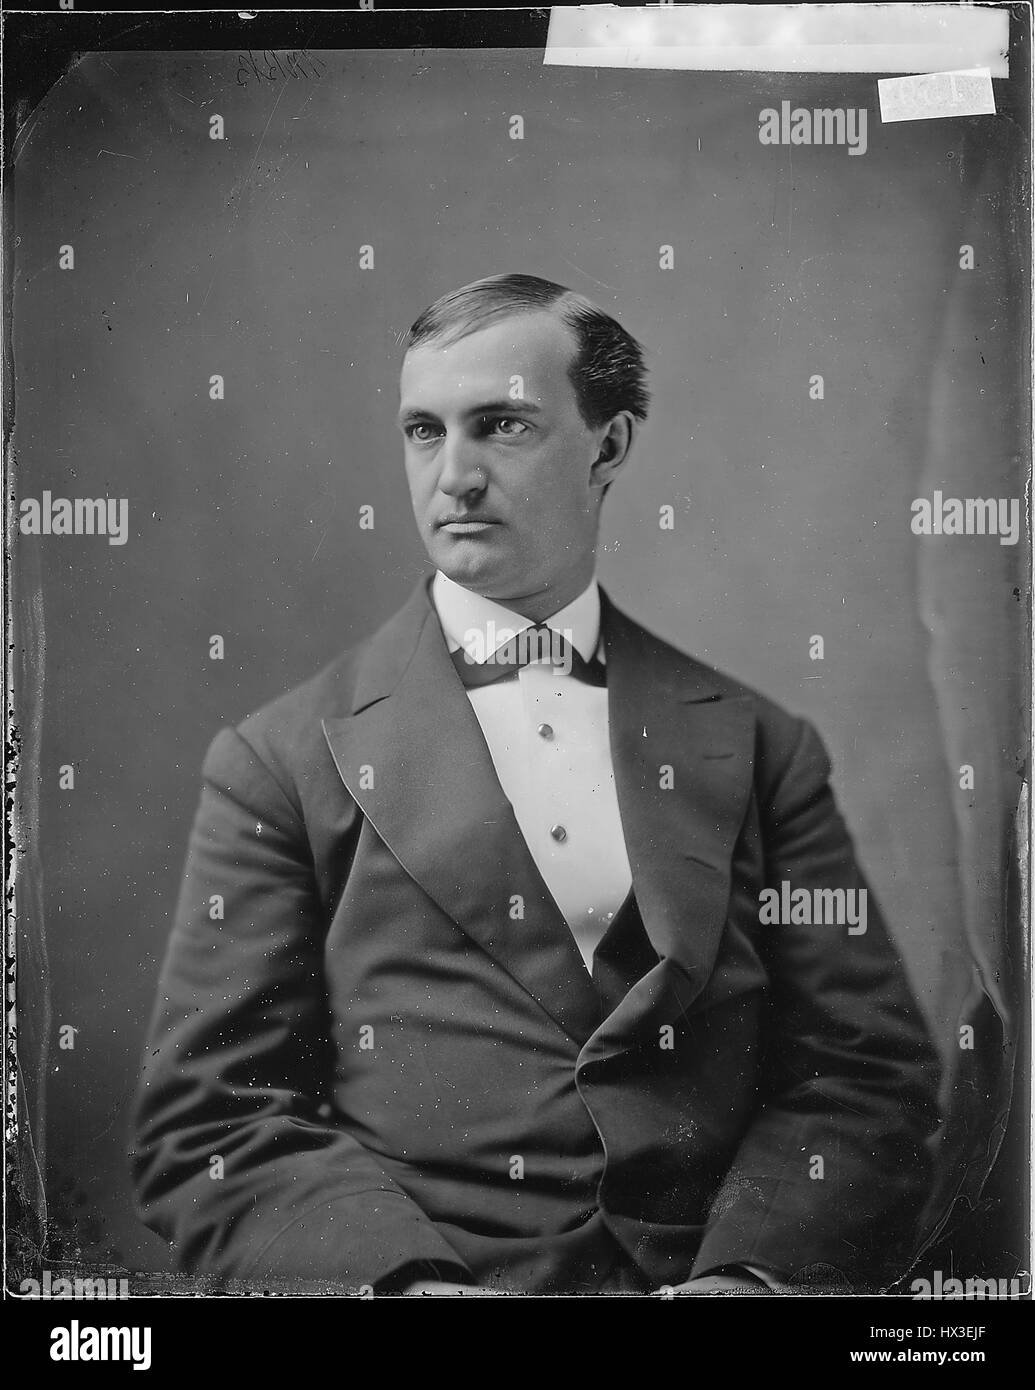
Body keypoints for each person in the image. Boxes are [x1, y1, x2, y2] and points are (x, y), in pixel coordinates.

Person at [132, 273, 941, 1295]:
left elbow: (862, 1072)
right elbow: (213, 1117)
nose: (453, 477)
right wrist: (402, 1289)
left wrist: (752, 1281)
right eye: (424, 431)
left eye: (501, 425)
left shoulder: (760, 744)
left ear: (608, 448)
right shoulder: (279, 761)